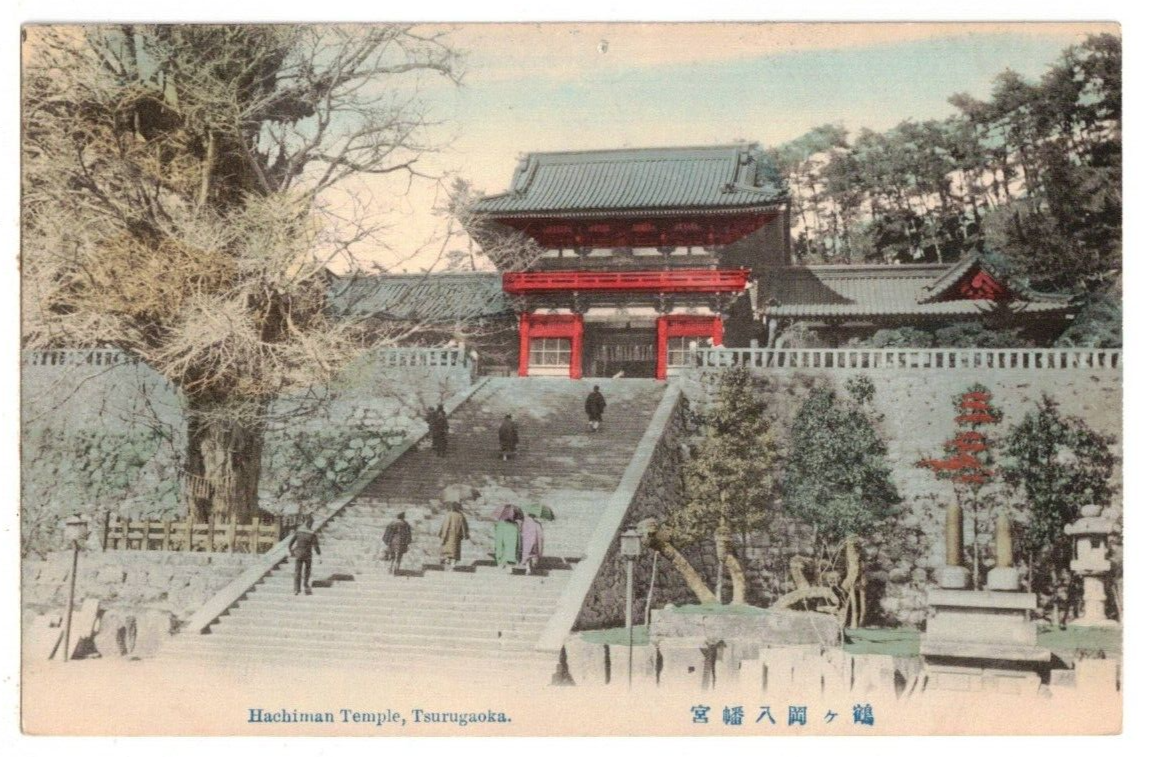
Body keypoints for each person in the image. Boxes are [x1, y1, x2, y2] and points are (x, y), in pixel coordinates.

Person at [288, 515, 321, 596]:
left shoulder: (298, 531)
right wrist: (319, 554)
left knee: (297, 571)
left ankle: (296, 589)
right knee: (307, 570)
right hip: (308, 554)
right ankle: (305, 585)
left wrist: (291, 551)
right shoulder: (312, 534)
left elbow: (290, 543)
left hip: (298, 554)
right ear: (310, 524)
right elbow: (316, 546)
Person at [438, 501, 470, 568]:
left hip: (449, 535)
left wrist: (442, 534)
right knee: (455, 549)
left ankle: (447, 560)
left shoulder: (449, 514)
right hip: (457, 535)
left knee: (447, 549)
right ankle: (453, 562)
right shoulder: (460, 515)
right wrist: (465, 535)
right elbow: (464, 526)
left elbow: (445, 525)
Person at [492, 503, 522, 572]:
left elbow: (499, 542)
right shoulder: (516, 525)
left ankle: (502, 564)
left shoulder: (500, 524)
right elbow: (518, 542)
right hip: (512, 555)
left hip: (502, 555)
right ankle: (509, 565)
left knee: (501, 547)